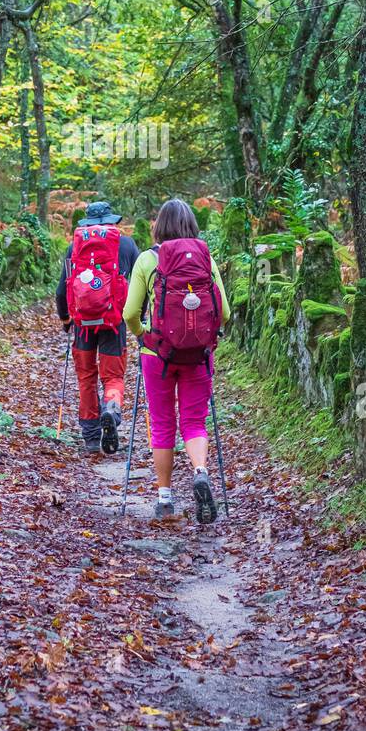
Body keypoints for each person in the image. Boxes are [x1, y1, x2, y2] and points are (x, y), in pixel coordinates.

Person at [123, 198, 230, 523]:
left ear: (159, 226)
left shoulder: (146, 260)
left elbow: (129, 313)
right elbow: (224, 312)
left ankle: (165, 497)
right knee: (195, 421)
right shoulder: (205, 259)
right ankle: (200, 470)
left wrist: (142, 333)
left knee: (162, 422)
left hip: (158, 354)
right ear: (192, 225)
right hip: (198, 354)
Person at [55, 201, 139, 455]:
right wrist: (139, 318)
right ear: (112, 220)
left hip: (82, 322)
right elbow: (140, 285)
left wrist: (66, 319)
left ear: (87, 223)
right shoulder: (126, 245)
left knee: (86, 378)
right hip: (114, 322)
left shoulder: (75, 246)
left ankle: (91, 437)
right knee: (113, 376)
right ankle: (111, 409)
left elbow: (62, 291)